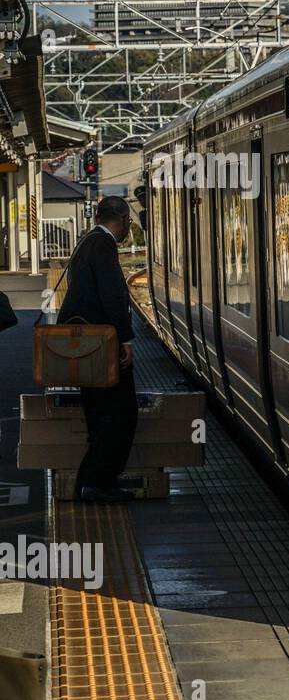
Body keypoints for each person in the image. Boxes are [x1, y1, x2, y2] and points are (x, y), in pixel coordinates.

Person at [57, 196, 138, 503]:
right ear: (121, 219)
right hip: (102, 345)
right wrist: (126, 339)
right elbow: (112, 295)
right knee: (120, 414)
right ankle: (97, 483)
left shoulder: (86, 241)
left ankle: (92, 483)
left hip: (88, 343)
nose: (129, 228)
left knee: (100, 414)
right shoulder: (103, 245)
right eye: (129, 222)